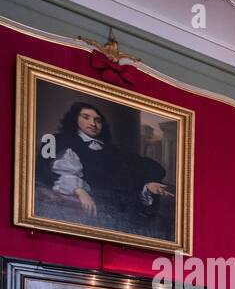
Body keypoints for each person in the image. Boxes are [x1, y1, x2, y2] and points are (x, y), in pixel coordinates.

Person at [36, 101, 170, 235]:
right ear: (75, 118)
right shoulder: (60, 141)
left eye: (97, 120)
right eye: (86, 117)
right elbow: (50, 174)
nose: (93, 124)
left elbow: (136, 172)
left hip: (113, 206)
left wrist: (147, 185)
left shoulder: (112, 150)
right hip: (90, 207)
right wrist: (79, 191)